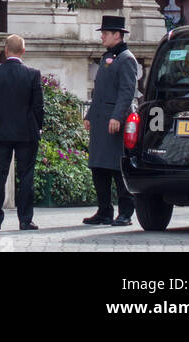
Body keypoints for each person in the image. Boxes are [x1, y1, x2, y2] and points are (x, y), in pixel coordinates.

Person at [0, 34, 44, 231]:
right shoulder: (33, 74)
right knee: (26, 175)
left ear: (5, 50)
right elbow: (38, 107)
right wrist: (38, 126)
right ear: (23, 51)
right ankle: (25, 219)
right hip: (27, 132)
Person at [83, 14, 139, 226]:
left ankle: (125, 212)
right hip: (100, 122)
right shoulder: (106, 57)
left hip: (115, 123)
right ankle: (104, 210)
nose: (102, 37)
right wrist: (89, 115)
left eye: (105, 33)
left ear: (117, 35)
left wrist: (117, 116)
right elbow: (99, 91)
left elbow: (127, 92)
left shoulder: (127, 59)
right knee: (99, 167)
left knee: (117, 169)